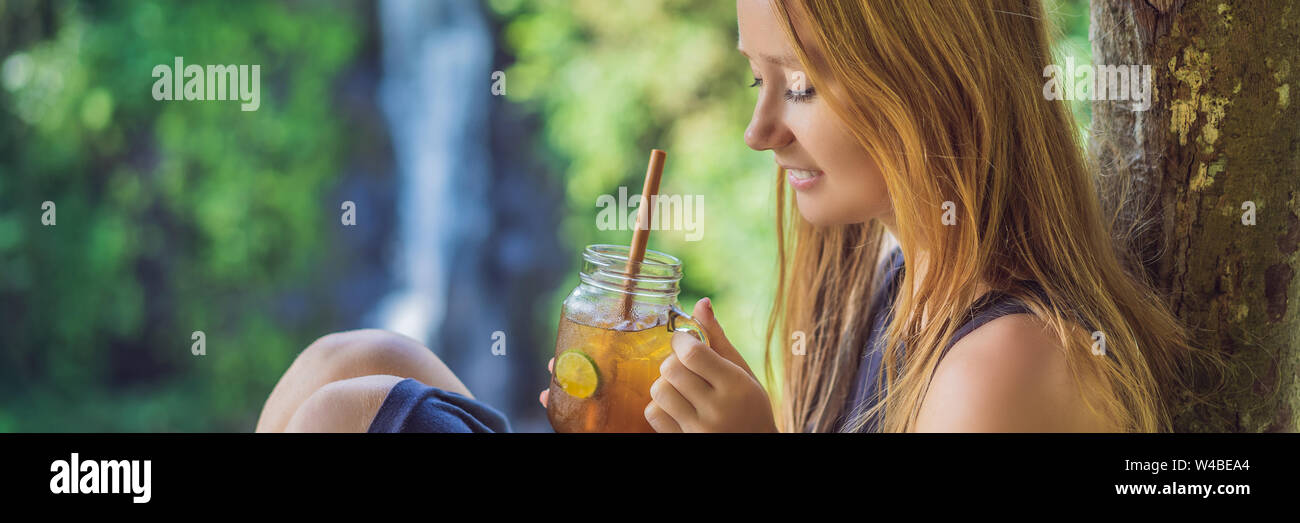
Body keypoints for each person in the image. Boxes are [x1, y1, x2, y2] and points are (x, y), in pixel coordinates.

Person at [258, 0, 1221, 434]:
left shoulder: (1005, 366)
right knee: (346, 361)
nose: (761, 131)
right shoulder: (879, 258)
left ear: (931, 82)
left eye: (798, 86)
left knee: (344, 414)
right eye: (754, 79)